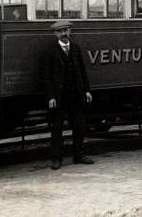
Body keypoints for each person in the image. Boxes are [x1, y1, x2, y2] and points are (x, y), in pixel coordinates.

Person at [40, 20, 94, 170]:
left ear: (70, 31)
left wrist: (87, 91)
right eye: (60, 31)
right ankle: (56, 159)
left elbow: (82, 72)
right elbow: (46, 77)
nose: (64, 33)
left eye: (66, 30)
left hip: (75, 95)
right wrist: (50, 96)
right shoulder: (49, 51)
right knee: (57, 128)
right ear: (55, 34)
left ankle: (78, 155)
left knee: (79, 126)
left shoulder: (76, 49)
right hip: (59, 97)